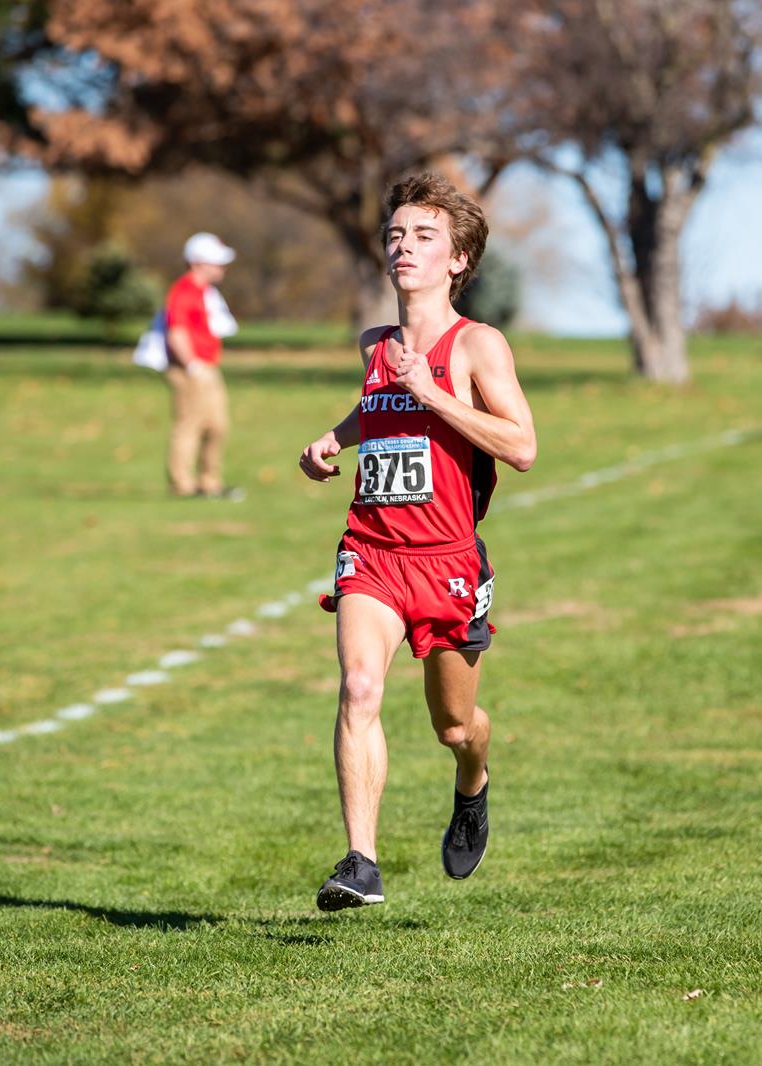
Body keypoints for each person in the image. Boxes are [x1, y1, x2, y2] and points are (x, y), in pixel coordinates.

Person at [297, 173, 537, 911]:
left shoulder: (478, 346)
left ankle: (474, 781)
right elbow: (379, 407)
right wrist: (333, 440)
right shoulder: (375, 344)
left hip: (449, 562)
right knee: (360, 688)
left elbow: (522, 446)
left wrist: (432, 390)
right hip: (372, 550)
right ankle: (361, 863)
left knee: (455, 725)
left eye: (424, 236)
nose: (404, 247)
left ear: (459, 258)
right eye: (396, 235)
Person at [164, 232, 242, 500]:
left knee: (217, 425)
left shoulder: (206, 292)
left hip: (208, 367)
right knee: (190, 425)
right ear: (197, 262)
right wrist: (192, 365)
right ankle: (182, 483)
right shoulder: (184, 290)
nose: (222, 267)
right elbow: (177, 332)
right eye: (216, 262)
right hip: (190, 369)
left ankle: (210, 481)